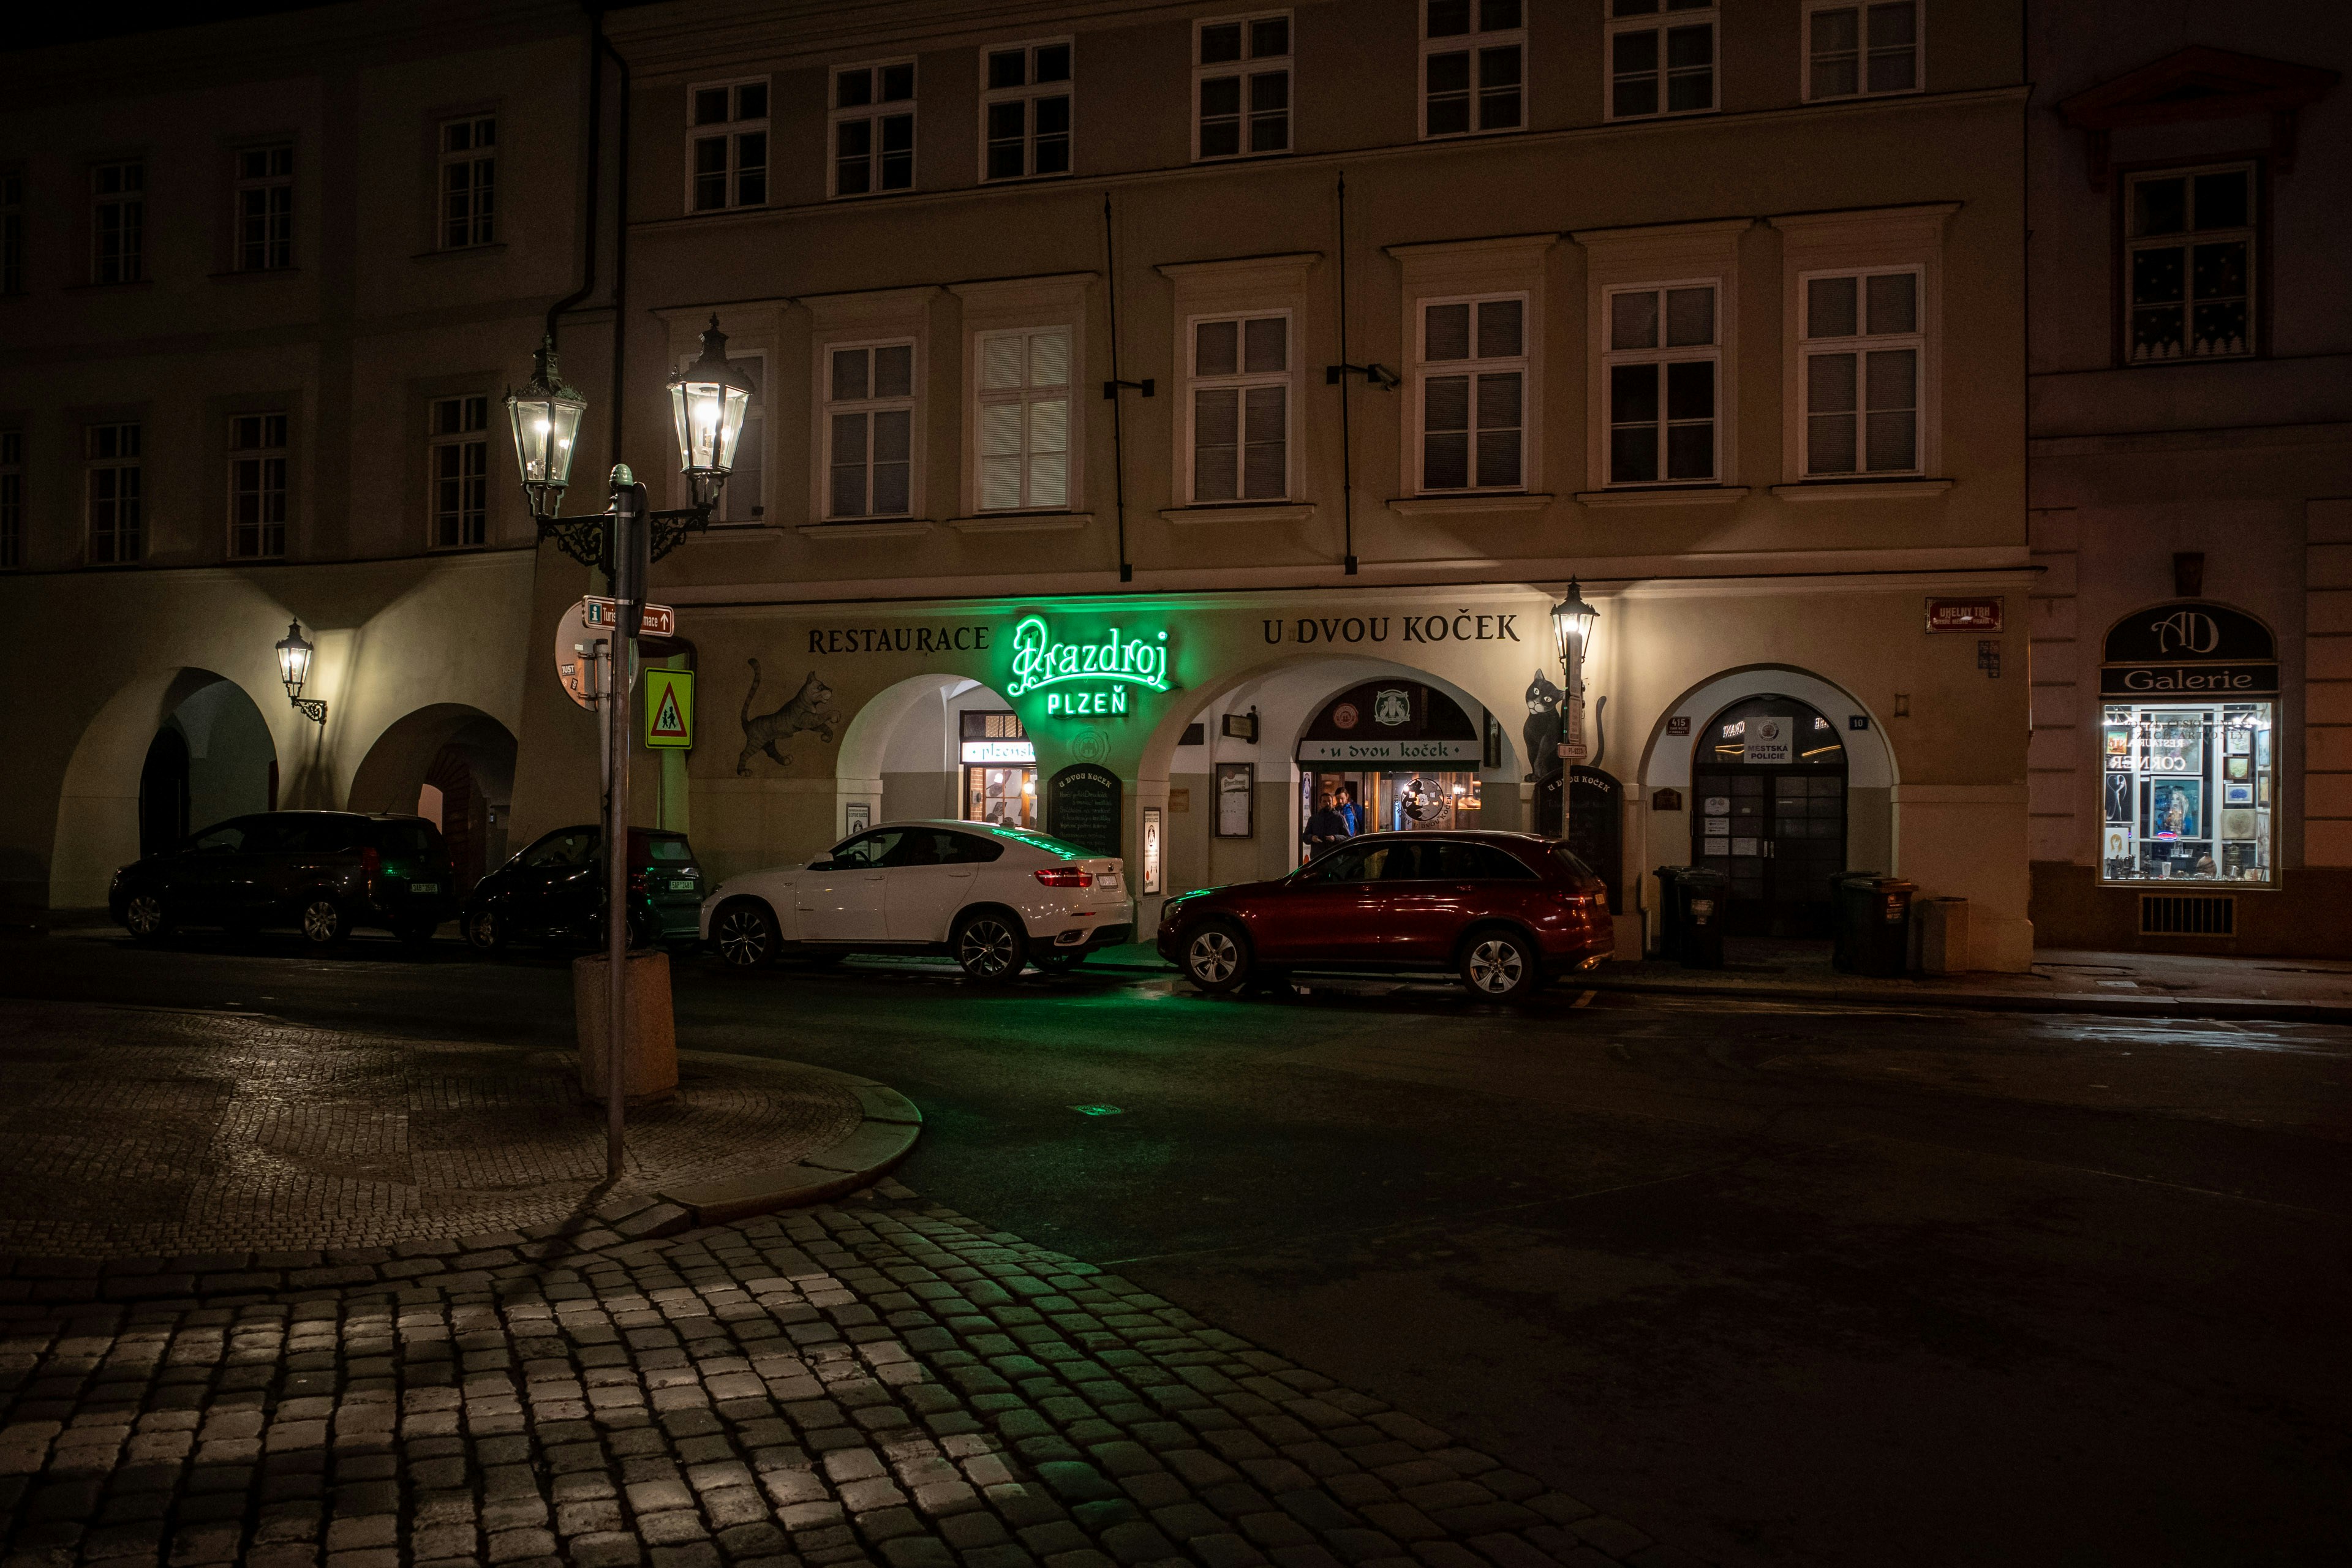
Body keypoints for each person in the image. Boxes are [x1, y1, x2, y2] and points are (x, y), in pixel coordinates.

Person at [1301, 782, 1356, 859]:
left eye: (1329, 801)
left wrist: (1335, 838)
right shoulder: (1314, 819)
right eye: (1324, 801)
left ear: (1332, 803)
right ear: (1320, 804)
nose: (1327, 803)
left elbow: (1347, 837)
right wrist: (1312, 838)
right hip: (1317, 858)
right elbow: (1305, 836)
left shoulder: (1339, 818)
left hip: (1334, 858)